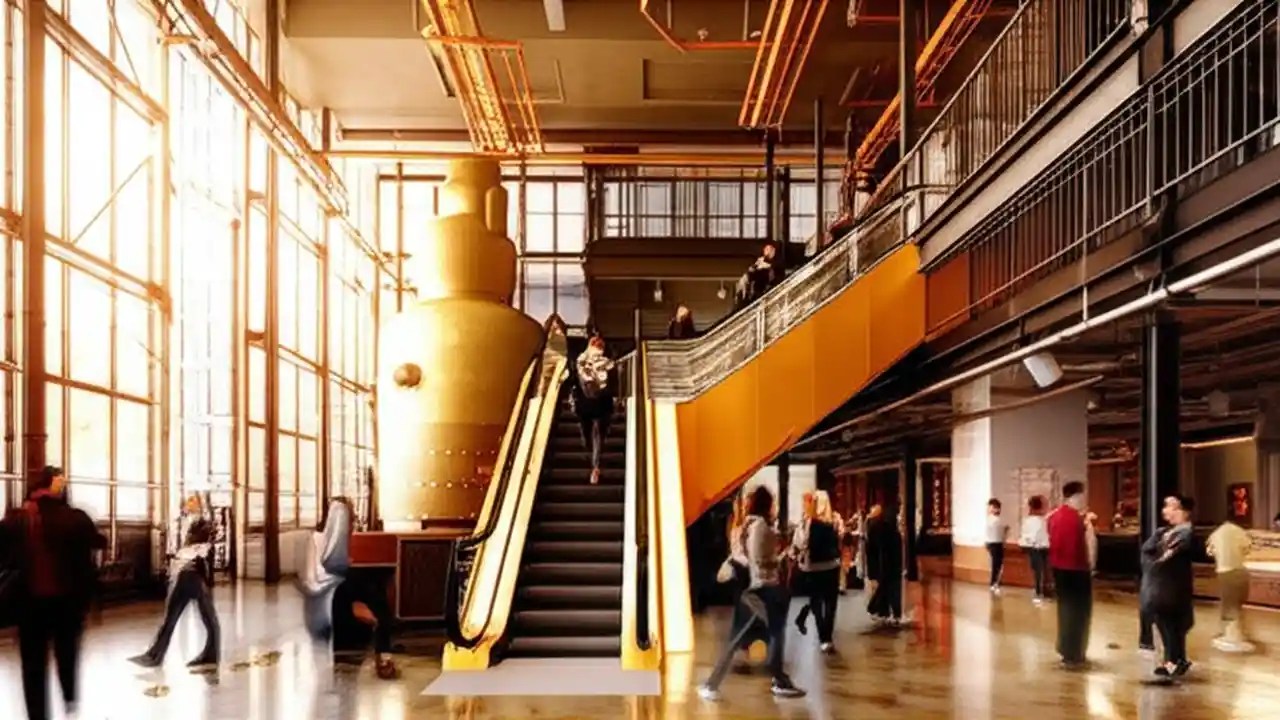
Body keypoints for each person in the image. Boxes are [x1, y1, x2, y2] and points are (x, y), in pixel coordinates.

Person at [0, 466, 106, 720]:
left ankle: (38, 714)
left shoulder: (16, 518)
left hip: (29, 604)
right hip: (67, 603)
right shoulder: (76, 517)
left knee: (33, 664)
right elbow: (98, 542)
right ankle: (69, 699)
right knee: (67, 652)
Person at [699, 486, 805, 700]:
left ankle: (776, 679)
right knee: (771, 633)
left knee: (750, 636)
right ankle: (776, 681)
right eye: (772, 503)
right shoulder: (759, 526)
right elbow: (758, 560)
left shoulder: (746, 525)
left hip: (752, 589)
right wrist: (782, 557)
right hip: (761, 589)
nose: (775, 507)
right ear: (766, 504)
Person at [299, 498, 399, 679]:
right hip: (328, 608)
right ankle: (383, 649)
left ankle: (383, 646)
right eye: (350, 519)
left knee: (376, 585)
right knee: (370, 588)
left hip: (335, 600)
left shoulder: (332, 542)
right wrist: (352, 606)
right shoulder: (318, 543)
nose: (352, 525)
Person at [129, 495, 219, 669]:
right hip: (187, 574)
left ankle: (156, 655)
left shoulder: (203, 525)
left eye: (192, 502)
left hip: (192, 574)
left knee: (197, 617)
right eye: (188, 502)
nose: (188, 505)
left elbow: (198, 550)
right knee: (198, 617)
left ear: (199, 505)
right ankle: (157, 655)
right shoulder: (188, 523)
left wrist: (182, 555)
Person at [1140, 495, 1196, 678]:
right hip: (1162, 589)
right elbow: (1147, 552)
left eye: (1172, 507)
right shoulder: (1165, 532)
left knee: (1172, 627)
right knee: (1166, 626)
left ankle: (1174, 662)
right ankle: (1174, 661)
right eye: (1166, 506)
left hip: (1171, 590)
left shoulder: (1185, 535)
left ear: (1185, 512)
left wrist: (1153, 560)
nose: (1166, 511)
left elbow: (1161, 561)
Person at [1047, 481, 1092, 669]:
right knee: (1078, 613)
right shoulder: (1078, 519)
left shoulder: (1053, 516)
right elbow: (1088, 547)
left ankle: (1065, 649)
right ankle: (1075, 652)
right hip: (1077, 569)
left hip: (1058, 569)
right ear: (1076, 496)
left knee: (1064, 610)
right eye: (1082, 495)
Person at [792, 491, 841, 652]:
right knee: (829, 604)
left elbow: (800, 543)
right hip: (831, 565)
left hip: (813, 567)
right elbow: (839, 539)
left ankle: (824, 638)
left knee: (817, 602)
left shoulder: (806, 522)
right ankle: (827, 637)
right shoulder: (834, 519)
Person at [1206, 517, 1254, 652]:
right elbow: (1247, 549)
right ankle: (1238, 633)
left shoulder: (1215, 534)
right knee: (1237, 604)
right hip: (1240, 570)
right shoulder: (1240, 531)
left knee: (1228, 605)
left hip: (1225, 571)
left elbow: (1210, 552)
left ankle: (1232, 636)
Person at [573, 334, 615, 485]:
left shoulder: (581, 362)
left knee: (590, 434)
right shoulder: (607, 363)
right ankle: (595, 464)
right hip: (601, 404)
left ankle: (595, 465)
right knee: (597, 435)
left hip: (586, 405)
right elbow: (613, 384)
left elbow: (575, 383)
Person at [865, 502, 904, 626]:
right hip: (891, 564)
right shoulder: (890, 530)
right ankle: (891, 613)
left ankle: (883, 611)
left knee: (884, 588)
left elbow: (871, 548)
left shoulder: (875, 526)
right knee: (891, 588)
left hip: (882, 564)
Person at [1019, 495, 1050, 605]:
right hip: (1036, 549)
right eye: (1045, 505)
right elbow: (1030, 537)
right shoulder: (1031, 521)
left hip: (1043, 549)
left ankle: (1041, 592)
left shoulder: (1042, 520)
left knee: (1042, 571)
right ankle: (1038, 593)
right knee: (1038, 571)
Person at [985, 498, 1009, 594]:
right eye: (990, 507)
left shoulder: (997, 520)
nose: (990, 509)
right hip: (993, 543)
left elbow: (1003, 532)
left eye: (993, 507)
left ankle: (995, 583)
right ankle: (994, 583)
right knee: (996, 564)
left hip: (997, 543)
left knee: (998, 564)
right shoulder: (992, 519)